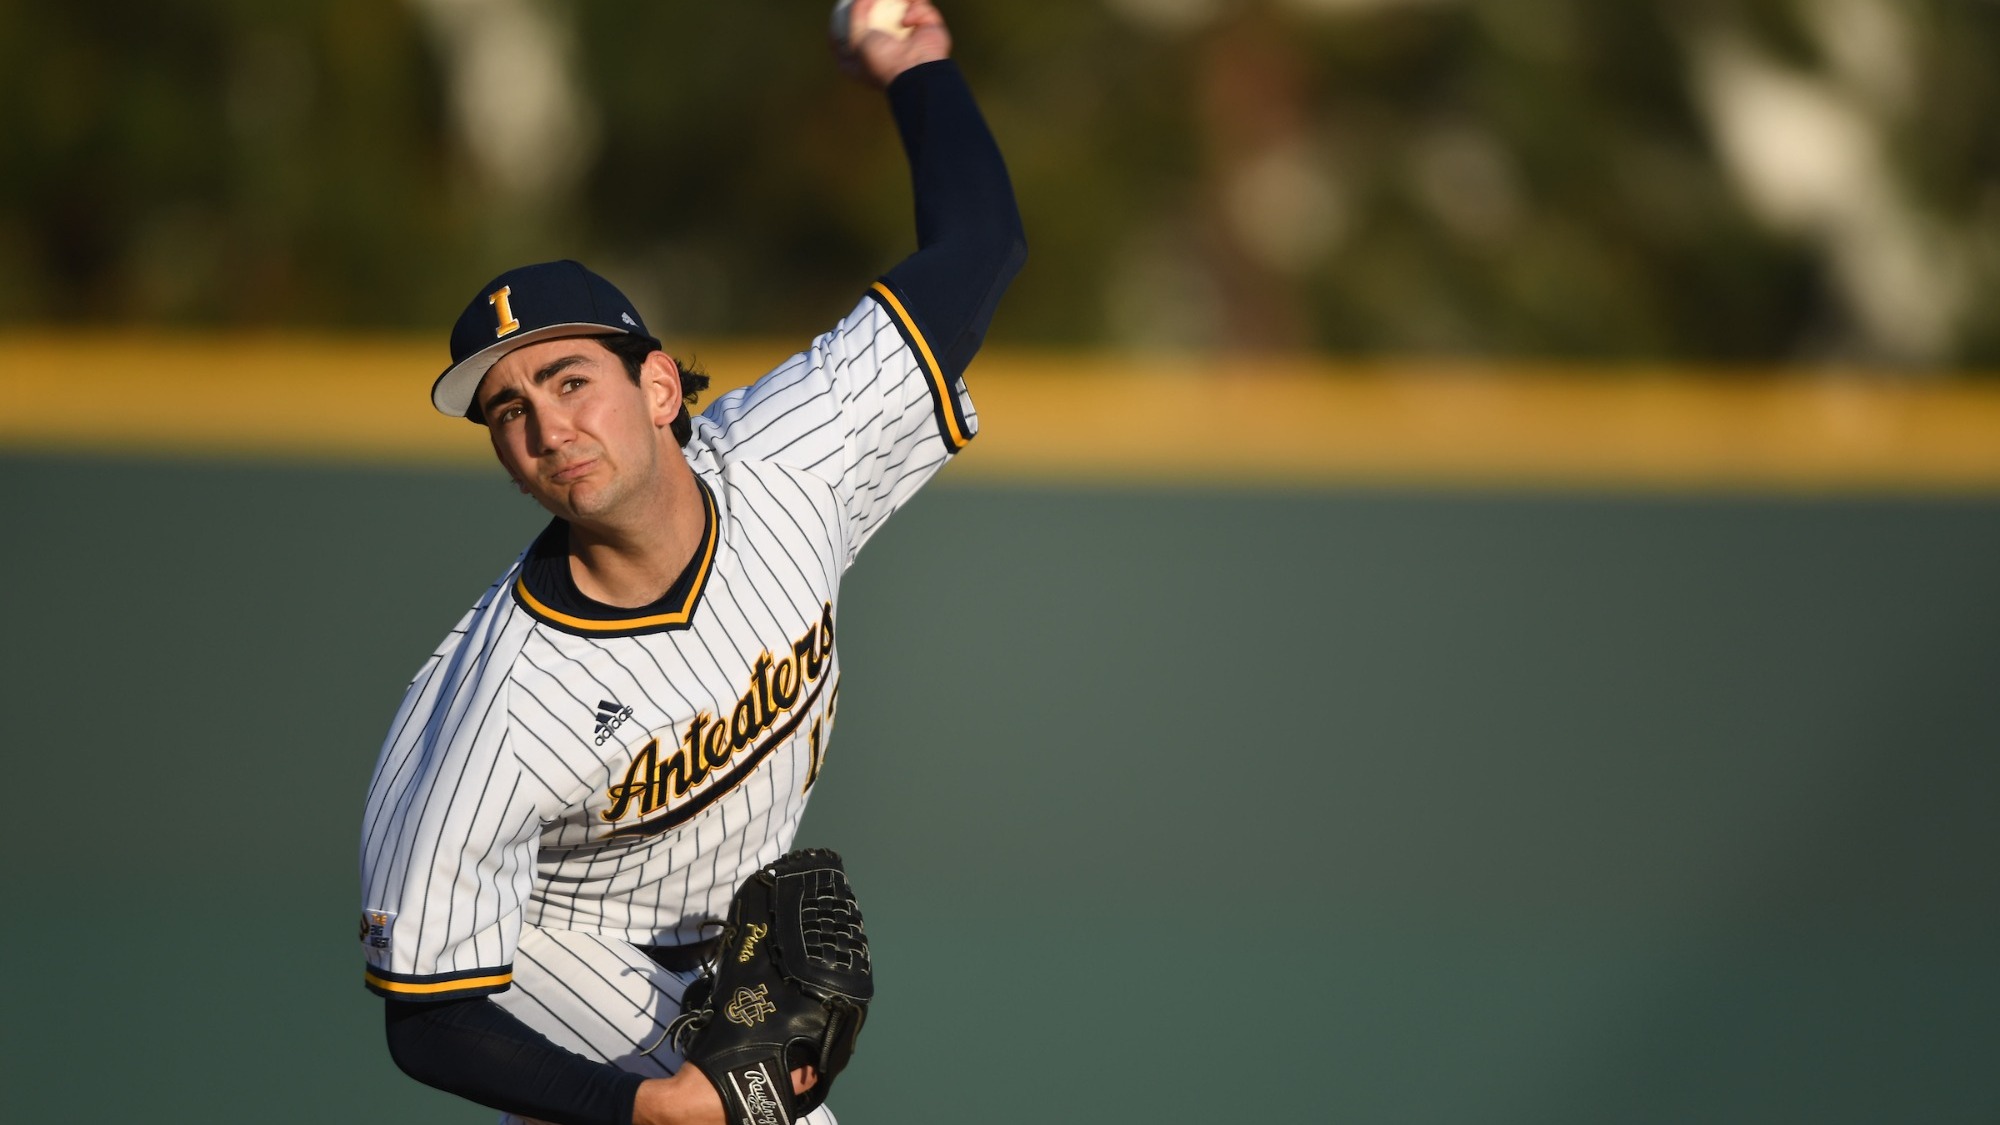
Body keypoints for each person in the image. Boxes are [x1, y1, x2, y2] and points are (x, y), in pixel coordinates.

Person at [355, 3, 1024, 1123]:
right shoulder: (500, 707)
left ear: (658, 388)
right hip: (569, 980)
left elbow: (978, 248)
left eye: (571, 379)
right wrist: (639, 1112)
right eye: (507, 411)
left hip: (724, 966)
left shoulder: (789, 456)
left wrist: (915, 68)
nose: (546, 425)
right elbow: (426, 1017)